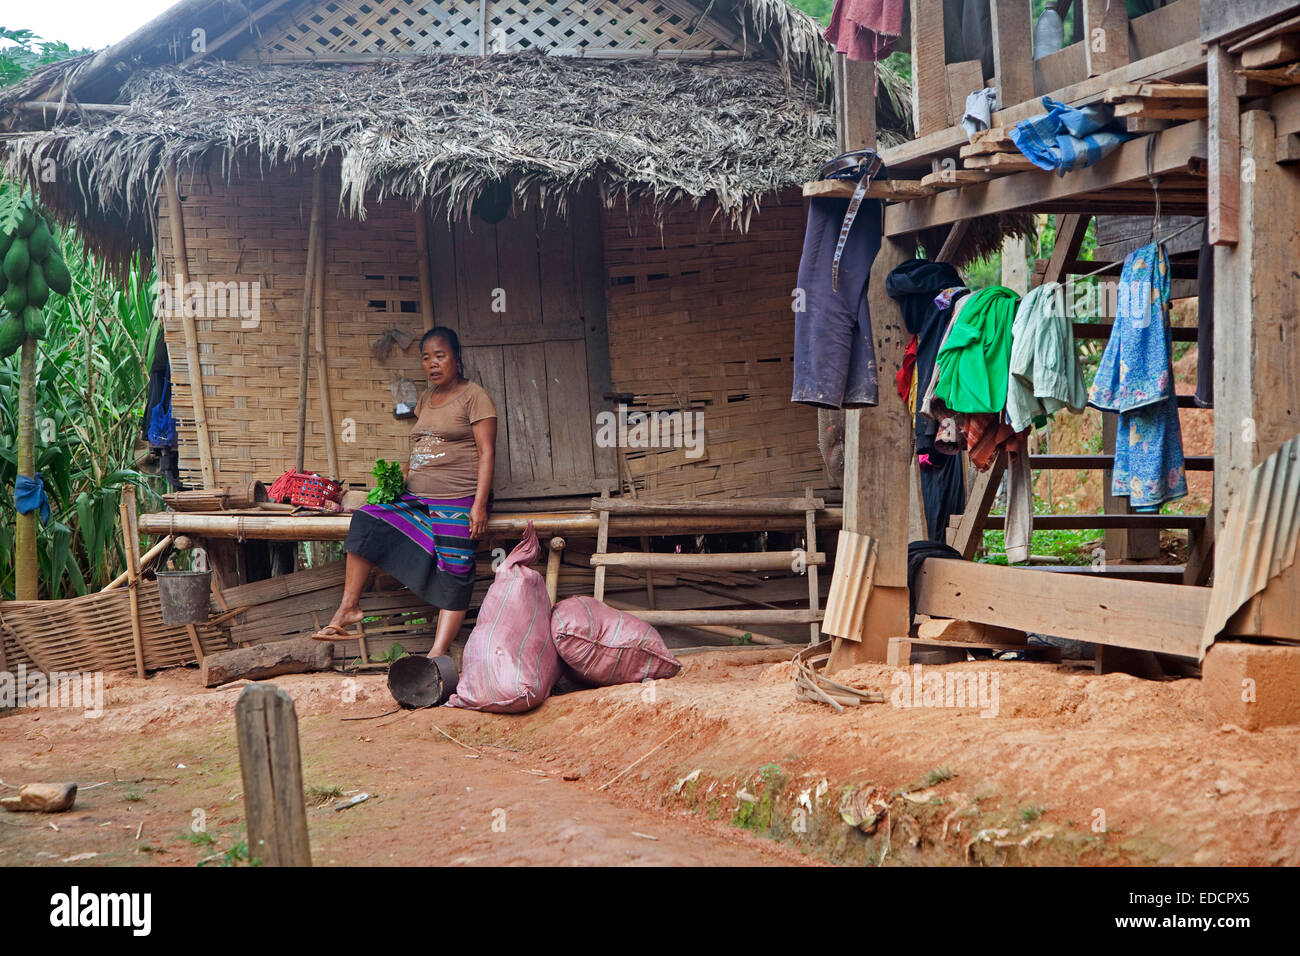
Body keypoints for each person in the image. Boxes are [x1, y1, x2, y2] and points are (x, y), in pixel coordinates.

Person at [313, 326, 497, 658]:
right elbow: (426, 444)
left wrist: (479, 505)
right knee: (366, 521)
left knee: (457, 567)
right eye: (426, 358)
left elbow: (486, 452)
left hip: (458, 498)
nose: (433, 364)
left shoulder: (475, 397)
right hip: (417, 497)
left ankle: (436, 653)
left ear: (457, 358)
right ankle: (348, 608)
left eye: (440, 356)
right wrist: (403, 472)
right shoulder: (426, 399)